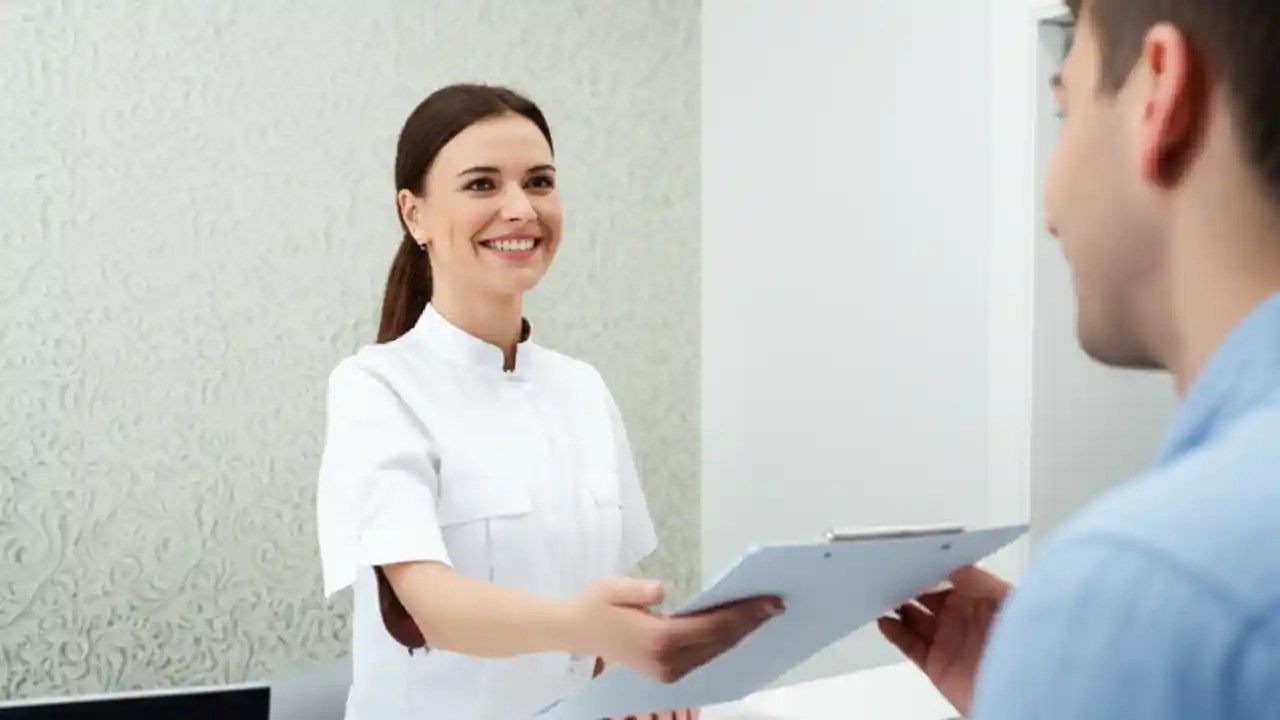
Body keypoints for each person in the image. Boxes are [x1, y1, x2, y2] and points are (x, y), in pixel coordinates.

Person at [315, 84, 782, 720]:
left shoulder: (582, 388)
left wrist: (631, 672)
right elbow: (431, 604)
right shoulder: (375, 387)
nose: (521, 209)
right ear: (413, 214)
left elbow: (605, 615)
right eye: (482, 184)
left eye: (538, 182)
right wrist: (588, 630)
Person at [878, 0, 1280, 717]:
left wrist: (1085, 653)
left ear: (1160, 94)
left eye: (1063, 116)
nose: (1049, 205)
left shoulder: (1148, 595)